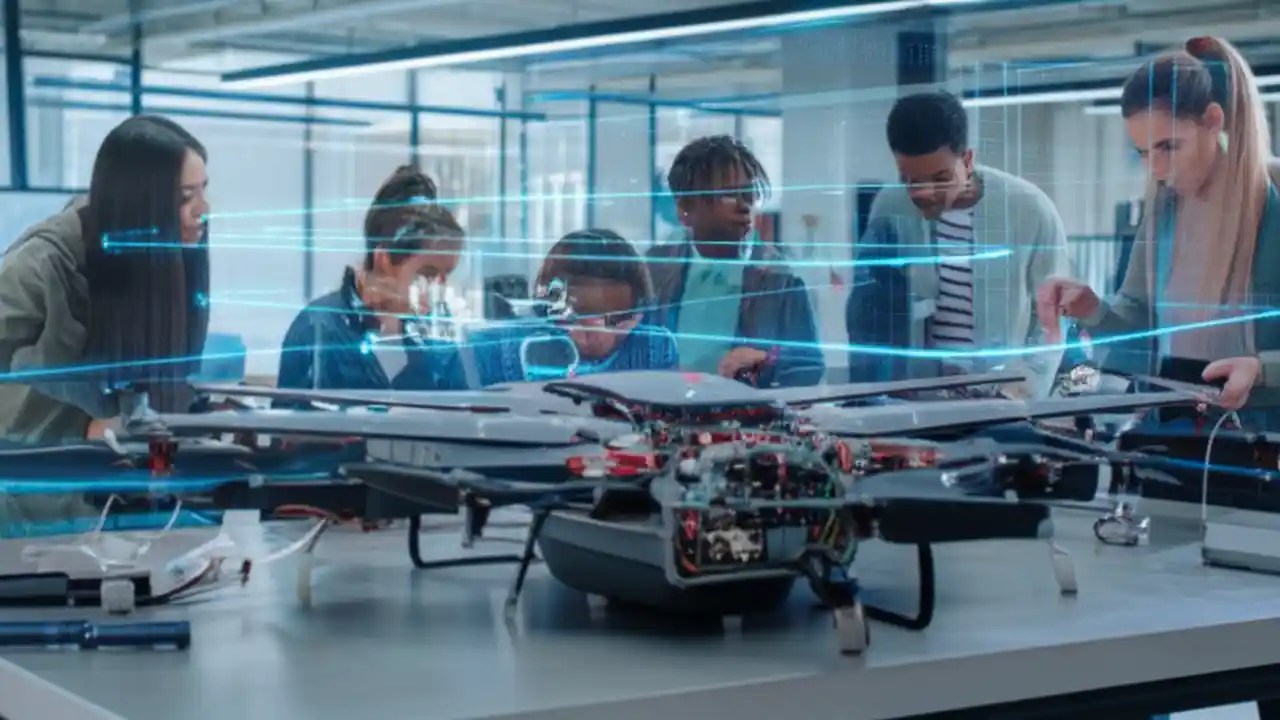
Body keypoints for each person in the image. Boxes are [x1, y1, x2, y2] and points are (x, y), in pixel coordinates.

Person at [1037, 36, 1280, 416]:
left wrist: (1263, 369)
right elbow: (1138, 328)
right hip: (1175, 426)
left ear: (1213, 121)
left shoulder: (1273, 198)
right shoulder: (1164, 211)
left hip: (1263, 436)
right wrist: (1092, 308)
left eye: (1169, 147)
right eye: (1145, 152)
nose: (1158, 169)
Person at [846, 90, 1072, 397]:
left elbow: (1052, 321)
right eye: (910, 179)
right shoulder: (889, 207)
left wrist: (1020, 388)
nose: (923, 193)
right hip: (915, 403)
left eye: (940, 178)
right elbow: (869, 314)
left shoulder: (1030, 210)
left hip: (1002, 401)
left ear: (967, 159)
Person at [0, 115, 210, 444]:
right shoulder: (37, 269)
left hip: (122, 475)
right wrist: (80, 430)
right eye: (185, 197)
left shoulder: (162, 261)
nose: (203, 210)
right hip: (45, 482)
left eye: (202, 191)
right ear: (140, 203)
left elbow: (158, 404)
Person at [646, 135, 824, 387]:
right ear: (685, 208)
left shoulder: (779, 278)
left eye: (749, 195)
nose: (744, 206)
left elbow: (810, 365)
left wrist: (767, 359)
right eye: (729, 195)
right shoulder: (655, 271)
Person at [276, 165, 464, 392]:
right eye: (427, 273)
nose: (439, 289)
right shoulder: (319, 329)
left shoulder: (435, 338)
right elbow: (295, 424)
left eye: (446, 276)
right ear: (384, 259)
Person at [464, 229, 678, 385]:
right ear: (545, 309)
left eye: (616, 320)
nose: (598, 334)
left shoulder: (656, 349)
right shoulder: (497, 350)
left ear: (640, 312)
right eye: (579, 316)